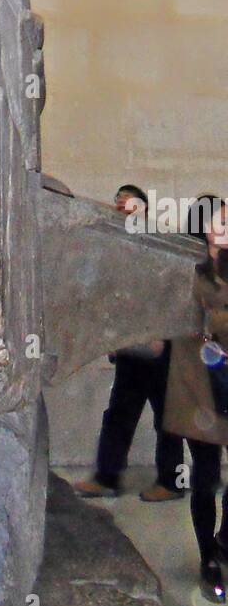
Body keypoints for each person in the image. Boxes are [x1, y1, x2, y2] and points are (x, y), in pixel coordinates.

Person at [74, 183, 185, 504]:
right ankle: (107, 476)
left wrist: (160, 335)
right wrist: (112, 337)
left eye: (129, 201)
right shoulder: (116, 246)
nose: (122, 205)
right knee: (120, 414)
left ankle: (171, 480)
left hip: (158, 349)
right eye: (118, 201)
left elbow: (169, 294)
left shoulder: (157, 243)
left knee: (167, 418)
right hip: (130, 349)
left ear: (144, 207)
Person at [164, 196, 228, 603]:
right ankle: (208, 559)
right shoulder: (187, 272)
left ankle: (224, 541)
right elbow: (179, 323)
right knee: (205, 475)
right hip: (197, 385)